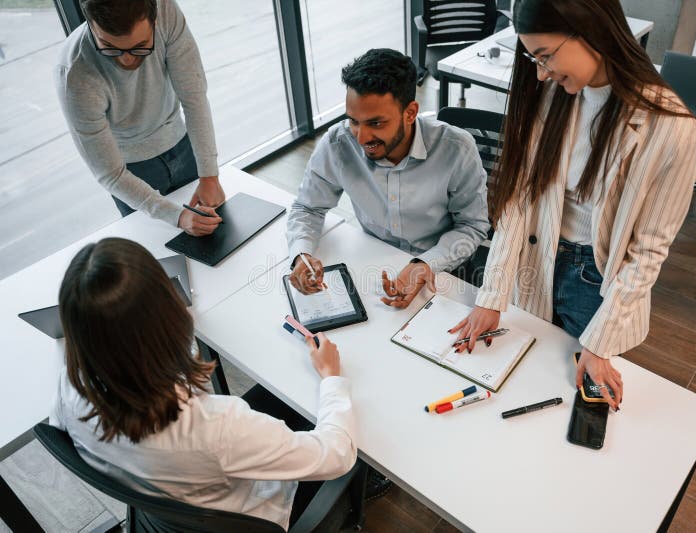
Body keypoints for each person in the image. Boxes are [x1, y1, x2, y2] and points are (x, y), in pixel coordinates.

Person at [451, 0, 696, 410]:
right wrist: (492, 293)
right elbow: (519, 201)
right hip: (536, 261)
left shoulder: (675, 130)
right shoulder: (555, 96)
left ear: (591, 31)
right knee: (518, 384)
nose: (541, 72)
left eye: (546, 56)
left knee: (574, 399)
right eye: (533, 58)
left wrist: (601, 343)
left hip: (597, 283)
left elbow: (647, 252)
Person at [50, 238, 357, 529]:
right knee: (357, 437)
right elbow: (337, 455)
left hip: (173, 501)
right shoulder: (218, 426)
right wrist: (332, 378)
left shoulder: (69, 388)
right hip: (252, 512)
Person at [286, 48, 491, 308]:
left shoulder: (456, 148)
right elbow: (307, 206)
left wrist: (425, 264)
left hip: (444, 270)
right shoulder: (339, 142)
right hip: (371, 263)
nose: (360, 138)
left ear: (410, 112)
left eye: (376, 123)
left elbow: (472, 226)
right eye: (354, 121)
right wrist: (301, 253)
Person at [55, 0, 224, 236]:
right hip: (131, 172)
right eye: (110, 48)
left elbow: (193, 97)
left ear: (154, 19)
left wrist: (209, 174)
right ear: (91, 24)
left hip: (183, 145)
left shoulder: (166, 12)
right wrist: (177, 217)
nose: (126, 60)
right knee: (156, 251)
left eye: (141, 46)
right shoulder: (74, 74)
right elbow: (110, 174)